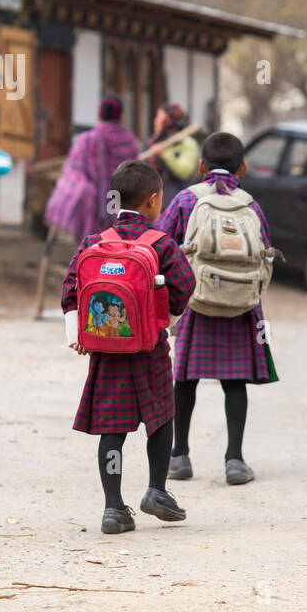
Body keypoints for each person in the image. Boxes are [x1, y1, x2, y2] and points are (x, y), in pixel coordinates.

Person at [61, 160, 196, 534]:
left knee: (112, 428)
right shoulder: (162, 244)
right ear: (153, 201)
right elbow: (186, 285)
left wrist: (80, 334)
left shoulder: (94, 242)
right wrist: (164, 318)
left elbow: (71, 289)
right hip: (148, 349)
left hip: (105, 351)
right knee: (161, 418)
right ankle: (156, 490)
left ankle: (113, 508)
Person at [157, 132, 278, 487]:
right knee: (234, 381)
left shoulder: (185, 200)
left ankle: (179, 456)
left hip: (197, 302)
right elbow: (266, 252)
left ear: (200, 165)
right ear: (243, 167)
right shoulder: (250, 204)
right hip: (241, 306)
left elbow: (162, 245)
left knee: (184, 380)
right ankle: (235, 460)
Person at [45, 95, 141, 239]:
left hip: (91, 209)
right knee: (118, 251)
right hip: (121, 208)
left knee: (91, 251)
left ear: (99, 114)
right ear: (121, 116)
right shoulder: (130, 141)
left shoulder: (86, 140)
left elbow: (72, 172)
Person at [145, 103, 200, 209]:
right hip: (153, 206)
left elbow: (184, 172)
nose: (155, 121)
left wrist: (164, 154)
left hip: (178, 206)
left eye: (159, 118)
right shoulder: (151, 143)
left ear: (169, 122)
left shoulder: (186, 143)